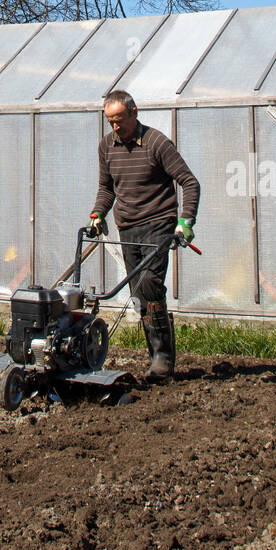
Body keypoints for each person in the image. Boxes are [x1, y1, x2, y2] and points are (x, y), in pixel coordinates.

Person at [87, 90, 200, 381]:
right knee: (139, 294)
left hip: (158, 224)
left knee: (150, 284)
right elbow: (107, 188)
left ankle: (162, 358)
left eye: (119, 120)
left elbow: (189, 182)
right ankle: (155, 356)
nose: (115, 127)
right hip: (128, 227)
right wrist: (98, 213)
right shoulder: (106, 147)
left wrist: (185, 221)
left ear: (134, 113)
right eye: (110, 121)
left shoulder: (156, 142)